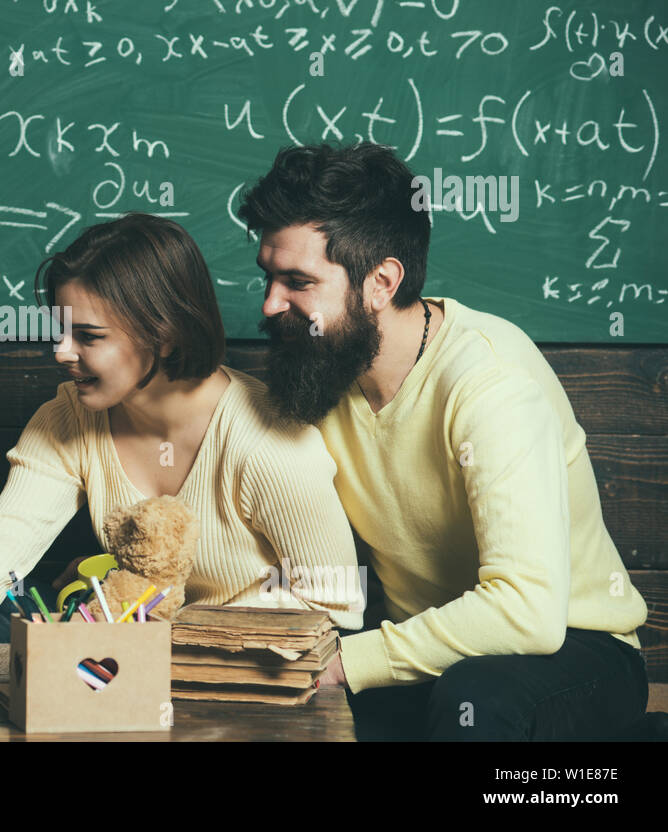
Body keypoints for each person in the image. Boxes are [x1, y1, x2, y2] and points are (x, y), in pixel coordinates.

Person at [0, 213, 364, 676]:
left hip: (230, 668)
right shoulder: (70, 417)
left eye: (89, 336)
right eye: (61, 328)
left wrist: (169, 633)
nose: (62, 352)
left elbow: (338, 601)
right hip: (111, 649)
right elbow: (1, 547)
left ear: (163, 333)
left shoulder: (268, 440)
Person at [238, 142, 650, 740]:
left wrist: (351, 662)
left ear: (381, 281)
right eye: (269, 278)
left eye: (297, 281)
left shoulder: (490, 382)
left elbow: (527, 612)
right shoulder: (317, 371)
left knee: (476, 701)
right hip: (431, 653)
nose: (271, 304)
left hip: (576, 648)